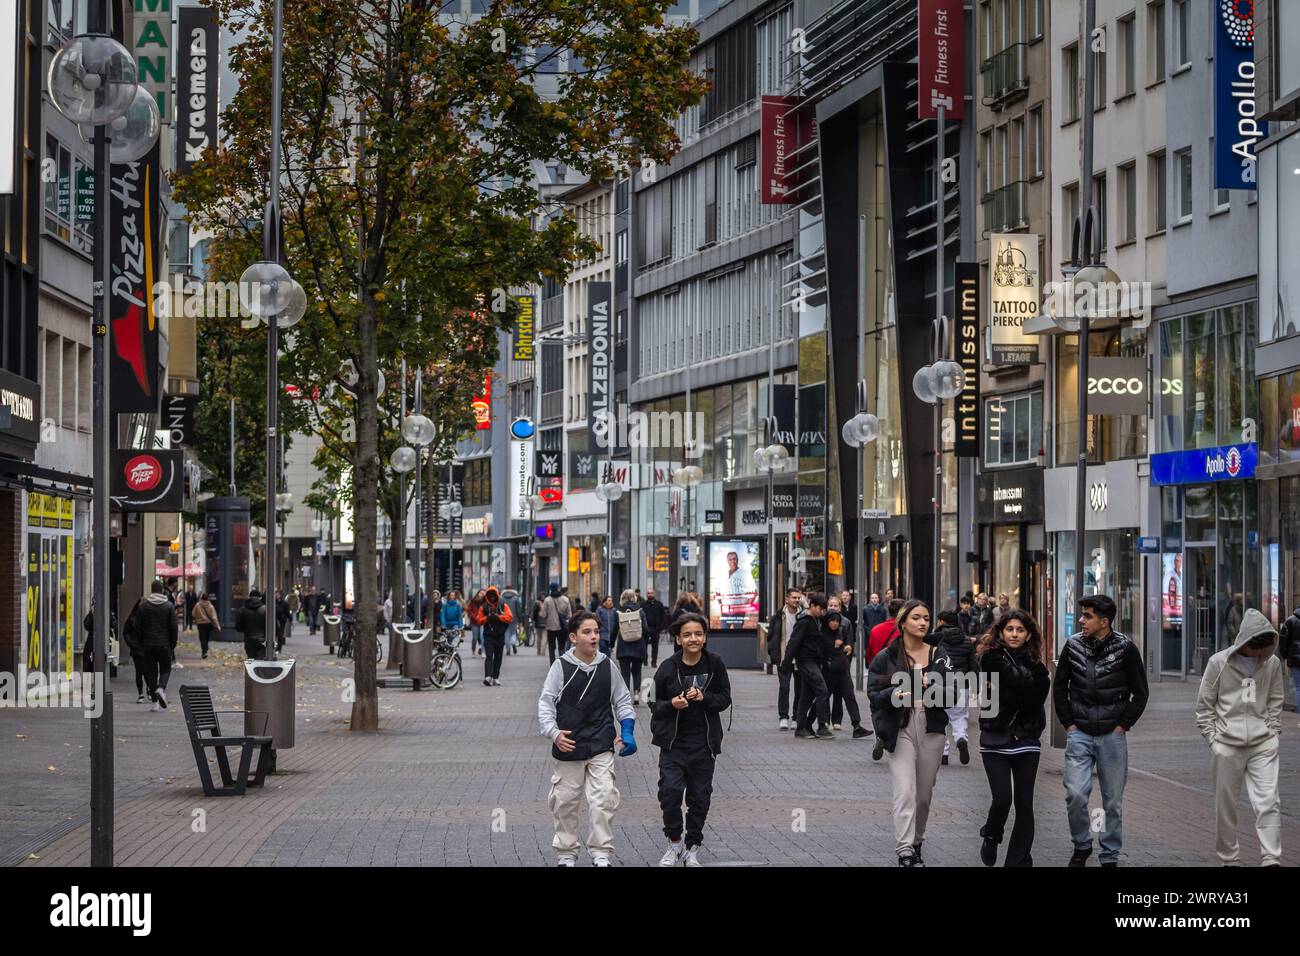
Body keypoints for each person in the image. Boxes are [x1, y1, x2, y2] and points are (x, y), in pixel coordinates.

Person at [1053, 593, 1149, 867]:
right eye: (1082, 614)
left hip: (1111, 736)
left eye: (1088, 616)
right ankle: (1082, 844)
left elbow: (1140, 693)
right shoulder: (1072, 646)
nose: (1081, 620)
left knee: (1112, 801)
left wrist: (1122, 726)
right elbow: (1060, 688)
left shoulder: (1126, 648)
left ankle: (1109, 855)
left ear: (1104, 622)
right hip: (1079, 732)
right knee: (1075, 793)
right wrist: (1069, 724)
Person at [537, 610, 637, 867]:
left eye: (596, 632)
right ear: (573, 637)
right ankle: (566, 853)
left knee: (603, 797)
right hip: (569, 744)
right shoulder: (561, 666)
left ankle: (600, 852)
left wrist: (627, 730)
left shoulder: (607, 665)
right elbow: (546, 703)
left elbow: (623, 699)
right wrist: (554, 733)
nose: (594, 637)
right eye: (587, 632)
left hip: (601, 742)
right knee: (565, 801)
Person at [1195, 609, 1284, 867]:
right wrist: (1214, 741)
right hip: (1227, 745)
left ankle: (1271, 859)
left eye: (1265, 646)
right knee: (1226, 807)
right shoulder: (1217, 663)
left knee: (1269, 801)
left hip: (1263, 744)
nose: (1260, 653)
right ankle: (1229, 859)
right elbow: (1204, 706)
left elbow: (1276, 699)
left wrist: (1273, 731)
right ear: (1245, 641)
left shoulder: (1273, 664)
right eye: (1256, 646)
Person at [867, 600, 951, 867]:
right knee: (905, 790)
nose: (923, 622)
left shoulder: (940, 655)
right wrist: (896, 694)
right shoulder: (887, 657)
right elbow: (873, 695)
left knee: (924, 795)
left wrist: (934, 687)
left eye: (926, 618)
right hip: (900, 726)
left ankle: (916, 843)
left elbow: (953, 694)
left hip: (931, 726)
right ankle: (904, 851)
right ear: (902, 622)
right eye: (916, 618)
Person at [651, 611, 732, 867]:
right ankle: (674, 843)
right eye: (687, 635)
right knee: (670, 793)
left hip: (704, 745)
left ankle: (691, 847)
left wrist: (705, 698)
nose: (693, 639)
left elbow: (724, 699)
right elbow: (653, 701)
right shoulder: (668, 667)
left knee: (699, 797)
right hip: (674, 744)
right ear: (678, 639)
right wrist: (671, 704)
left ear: (705, 637)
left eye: (698, 634)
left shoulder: (715, 663)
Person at [975, 609, 1050, 867]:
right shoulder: (989, 659)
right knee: (1002, 798)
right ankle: (992, 834)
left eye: (1020, 630)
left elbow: (1033, 698)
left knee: (1024, 804)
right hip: (995, 737)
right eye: (1010, 629)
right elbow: (1006, 687)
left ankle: (1017, 861)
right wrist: (1019, 683)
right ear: (1001, 632)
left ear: (1029, 634)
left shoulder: (1039, 668)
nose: (1015, 634)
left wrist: (1014, 686)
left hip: (1027, 738)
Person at [782, 592, 832, 739]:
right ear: (812, 606)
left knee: (806, 695)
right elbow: (793, 642)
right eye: (820, 609)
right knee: (822, 691)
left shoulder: (816, 620)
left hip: (814, 662)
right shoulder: (804, 621)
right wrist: (786, 663)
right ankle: (821, 726)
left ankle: (802, 727)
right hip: (806, 661)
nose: (822, 612)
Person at [125, 580, 179, 712]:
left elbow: (138, 627)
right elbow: (174, 628)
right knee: (166, 669)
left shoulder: (144, 607)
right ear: (162, 590)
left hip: (148, 645)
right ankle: (161, 688)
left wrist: (140, 643)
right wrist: (172, 644)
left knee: (151, 672)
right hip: (164, 644)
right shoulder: (169, 607)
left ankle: (155, 704)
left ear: (151, 589)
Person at [932, 609, 974, 766]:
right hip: (962, 682)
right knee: (959, 716)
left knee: (940, 717)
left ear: (941, 621)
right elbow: (973, 664)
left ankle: (943, 753)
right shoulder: (967, 641)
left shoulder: (937, 638)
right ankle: (961, 738)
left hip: (941, 682)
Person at [822, 610, 871, 739]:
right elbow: (823, 649)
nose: (835, 623)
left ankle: (857, 725)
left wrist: (845, 647)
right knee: (823, 697)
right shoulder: (823, 634)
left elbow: (845, 646)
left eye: (837, 621)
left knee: (850, 696)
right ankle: (816, 724)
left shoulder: (840, 632)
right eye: (832, 621)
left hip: (842, 671)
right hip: (828, 672)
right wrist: (837, 646)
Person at [767, 588, 804, 730]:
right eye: (793, 597)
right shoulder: (778, 616)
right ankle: (783, 716)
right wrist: (774, 654)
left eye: (798, 597)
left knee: (800, 689)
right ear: (787, 599)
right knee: (784, 687)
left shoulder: (804, 615)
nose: (796, 600)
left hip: (800, 657)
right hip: (783, 657)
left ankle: (796, 717)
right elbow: (772, 636)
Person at [613, 589, 650, 705]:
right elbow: (646, 629)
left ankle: (625, 696)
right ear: (634, 597)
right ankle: (637, 695)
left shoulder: (618, 611)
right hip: (638, 645)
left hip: (623, 646)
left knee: (625, 672)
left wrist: (611, 643)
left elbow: (614, 629)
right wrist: (644, 641)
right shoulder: (640, 611)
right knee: (637, 671)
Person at [472, 587, 513, 686]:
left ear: (497, 595)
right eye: (490, 596)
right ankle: (488, 677)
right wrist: (488, 618)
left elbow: (509, 617)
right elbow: (479, 619)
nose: (492, 597)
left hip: (500, 635)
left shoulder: (503, 605)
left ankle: (495, 677)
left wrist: (498, 617)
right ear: (487, 596)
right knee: (489, 656)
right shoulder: (484, 607)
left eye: (493, 595)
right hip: (489, 635)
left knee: (498, 657)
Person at [541, 584, 571, 664]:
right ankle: (562, 664)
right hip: (562, 627)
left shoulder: (547, 600)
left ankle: (553, 665)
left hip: (551, 627)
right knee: (561, 647)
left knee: (551, 647)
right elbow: (569, 615)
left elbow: (543, 614)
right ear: (558, 589)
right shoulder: (565, 599)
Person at [236, 589, 269, 659]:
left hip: (249, 639)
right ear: (260, 598)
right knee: (260, 659)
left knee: (250, 660)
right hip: (262, 639)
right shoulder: (265, 609)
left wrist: (246, 629)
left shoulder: (243, 609)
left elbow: (238, 627)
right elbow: (270, 626)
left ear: (249, 597)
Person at [641, 588, 669, 669]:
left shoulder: (659, 604)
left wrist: (660, 627)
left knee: (655, 646)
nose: (650, 595)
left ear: (654, 594)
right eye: (649, 593)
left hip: (655, 628)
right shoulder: (643, 604)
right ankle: (645, 659)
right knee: (644, 645)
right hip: (645, 628)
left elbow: (663, 616)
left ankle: (654, 662)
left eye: (651, 593)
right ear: (647, 594)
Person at [1280, 603, 1300, 714]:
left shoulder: (1290, 621)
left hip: (1295, 659)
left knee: (1299, 688)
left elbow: (1283, 640)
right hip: (1295, 658)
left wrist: (1285, 656)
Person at [193, 592, 219, 659]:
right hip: (208, 624)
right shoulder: (210, 606)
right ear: (208, 598)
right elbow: (214, 617)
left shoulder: (197, 605)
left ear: (201, 598)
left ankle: (204, 652)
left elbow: (193, 614)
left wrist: (197, 618)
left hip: (200, 624)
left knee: (202, 638)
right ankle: (206, 650)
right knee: (207, 638)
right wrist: (217, 625)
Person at [501, 586, 523, 655]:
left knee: (506, 634)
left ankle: (508, 649)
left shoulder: (501, 599)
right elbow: (519, 610)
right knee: (513, 633)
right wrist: (520, 620)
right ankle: (513, 643)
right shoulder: (516, 599)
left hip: (504, 619)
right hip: (514, 619)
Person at [467, 589, 487, 655]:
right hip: (474, 622)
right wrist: (473, 617)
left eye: (483, 593)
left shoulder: (486, 602)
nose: (482, 594)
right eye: (481, 593)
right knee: (475, 637)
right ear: (478, 593)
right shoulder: (473, 601)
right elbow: (469, 610)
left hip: (482, 622)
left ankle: (483, 652)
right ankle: (473, 650)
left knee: (482, 637)